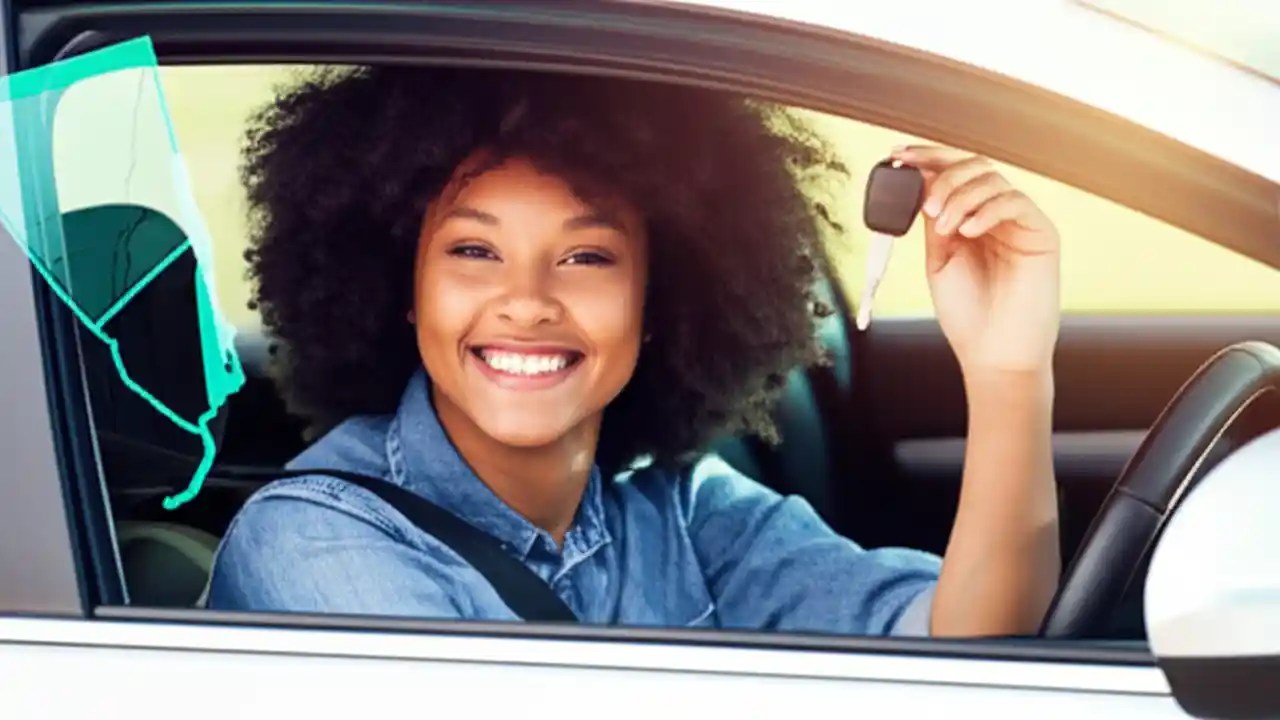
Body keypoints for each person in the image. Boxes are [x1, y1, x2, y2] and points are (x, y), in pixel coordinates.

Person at [207, 66, 1061, 637]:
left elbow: (968, 643)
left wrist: (1009, 373)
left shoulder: (687, 514)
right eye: (474, 251)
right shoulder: (315, 543)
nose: (528, 301)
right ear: (405, 288)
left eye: (586, 257)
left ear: (659, 301)